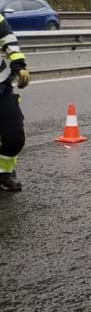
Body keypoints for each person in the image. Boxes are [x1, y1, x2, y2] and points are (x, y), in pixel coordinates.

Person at [0, 12, 30, 191]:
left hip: (1, 85)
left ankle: (4, 172)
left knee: (15, 137)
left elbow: (7, 39)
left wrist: (18, 65)